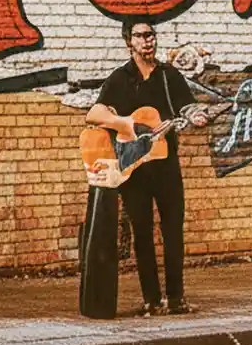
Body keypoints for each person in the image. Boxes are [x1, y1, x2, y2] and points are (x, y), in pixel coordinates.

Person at [86, 18, 210, 316]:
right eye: (140, 36)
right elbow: (94, 114)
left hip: (166, 165)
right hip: (135, 168)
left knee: (173, 232)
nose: (148, 41)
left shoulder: (169, 76)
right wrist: (126, 123)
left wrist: (196, 115)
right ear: (129, 41)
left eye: (151, 35)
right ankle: (152, 300)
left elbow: (186, 106)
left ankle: (177, 298)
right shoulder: (120, 78)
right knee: (142, 233)